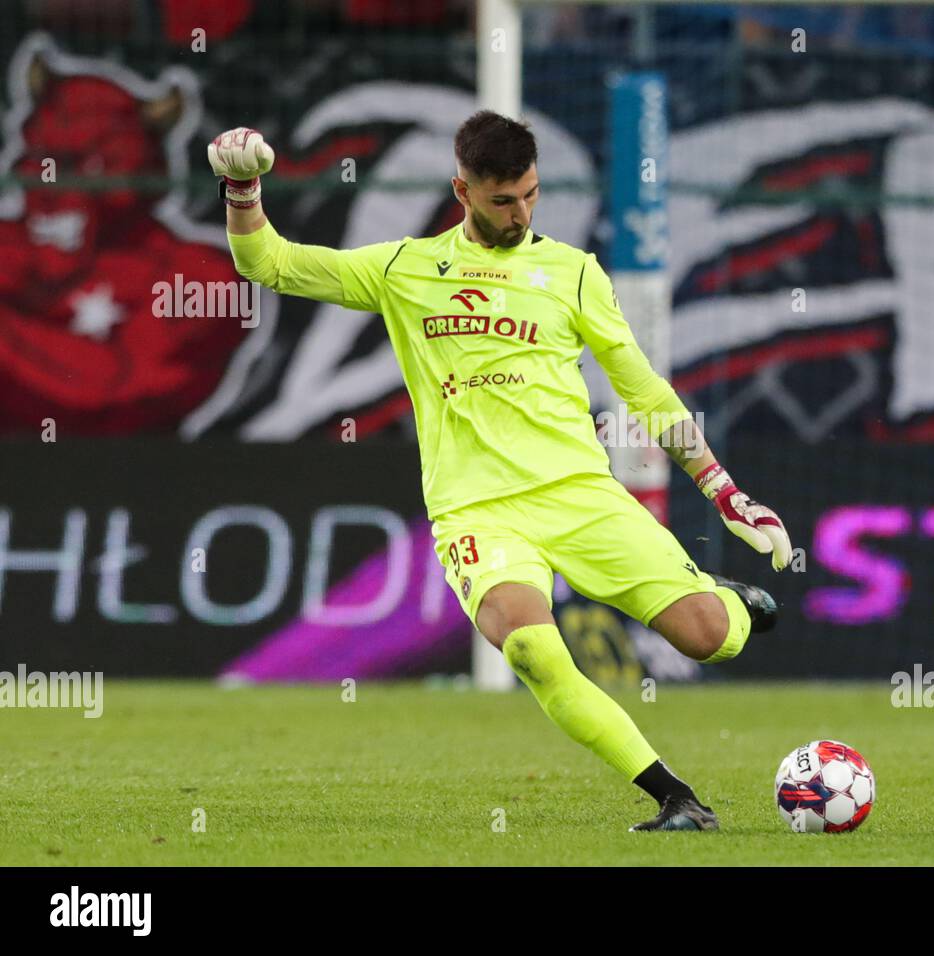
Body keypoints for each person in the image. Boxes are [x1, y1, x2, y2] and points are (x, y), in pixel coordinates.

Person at [209, 112, 791, 831]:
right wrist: (243, 191)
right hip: (477, 512)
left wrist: (723, 490)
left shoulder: (574, 272)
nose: (521, 214)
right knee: (531, 647)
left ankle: (728, 598)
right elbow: (269, 263)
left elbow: (642, 388)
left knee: (707, 636)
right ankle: (677, 798)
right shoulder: (405, 269)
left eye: (531, 195)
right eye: (503, 200)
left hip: (579, 494)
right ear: (462, 191)